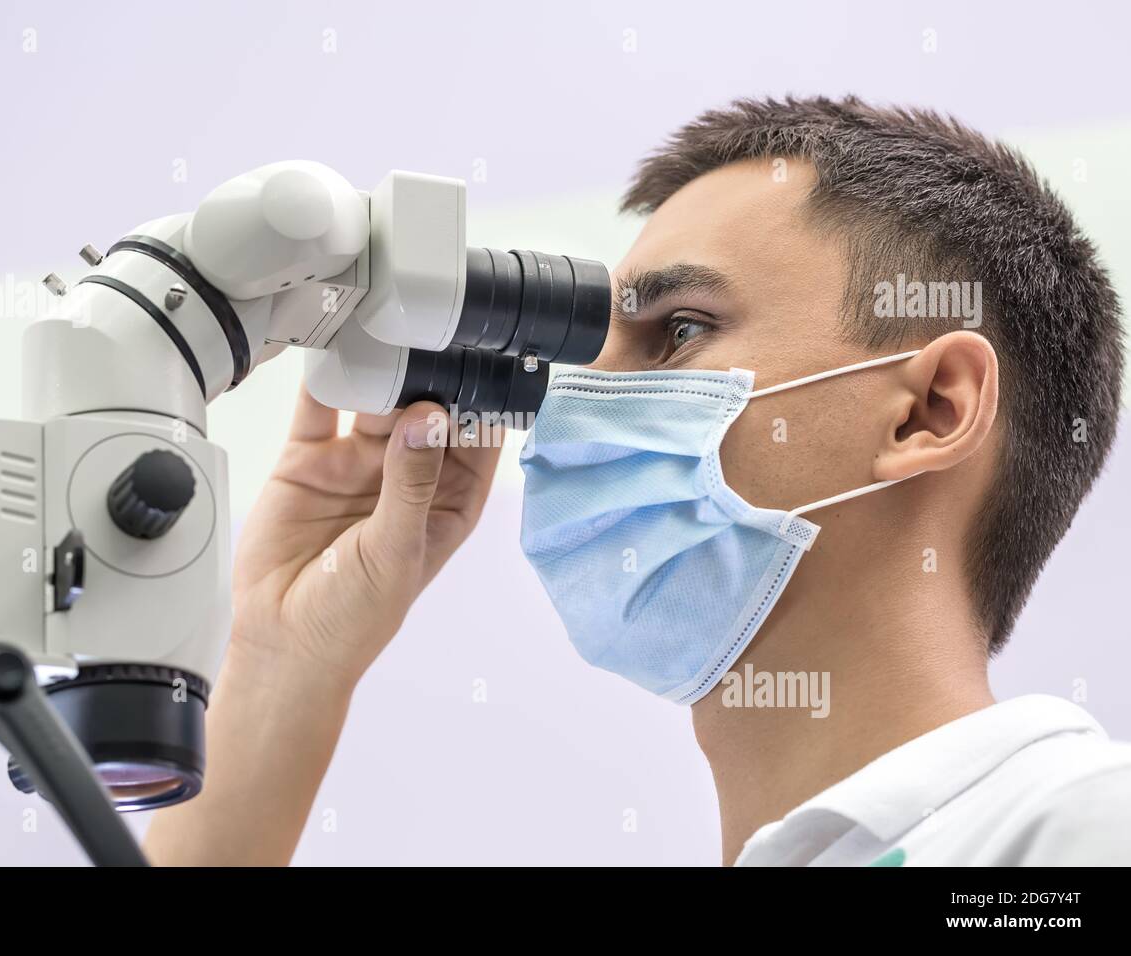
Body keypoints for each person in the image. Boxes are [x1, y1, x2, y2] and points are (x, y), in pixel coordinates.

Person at [143, 96, 1130, 866]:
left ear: (930, 409)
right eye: (584, 353)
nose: (572, 408)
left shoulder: (1071, 832)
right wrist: (286, 654)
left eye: (678, 331)